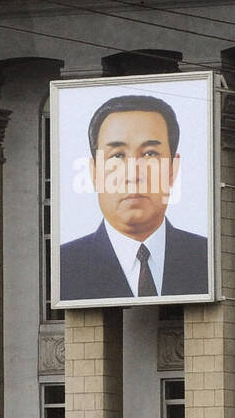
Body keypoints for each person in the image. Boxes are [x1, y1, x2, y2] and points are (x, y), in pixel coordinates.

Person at [59, 94, 209, 301]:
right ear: (94, 172)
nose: (133, 174)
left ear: (173, 169)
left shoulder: (208, 258)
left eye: (150, 154)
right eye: (118, 155)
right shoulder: (63, 265)